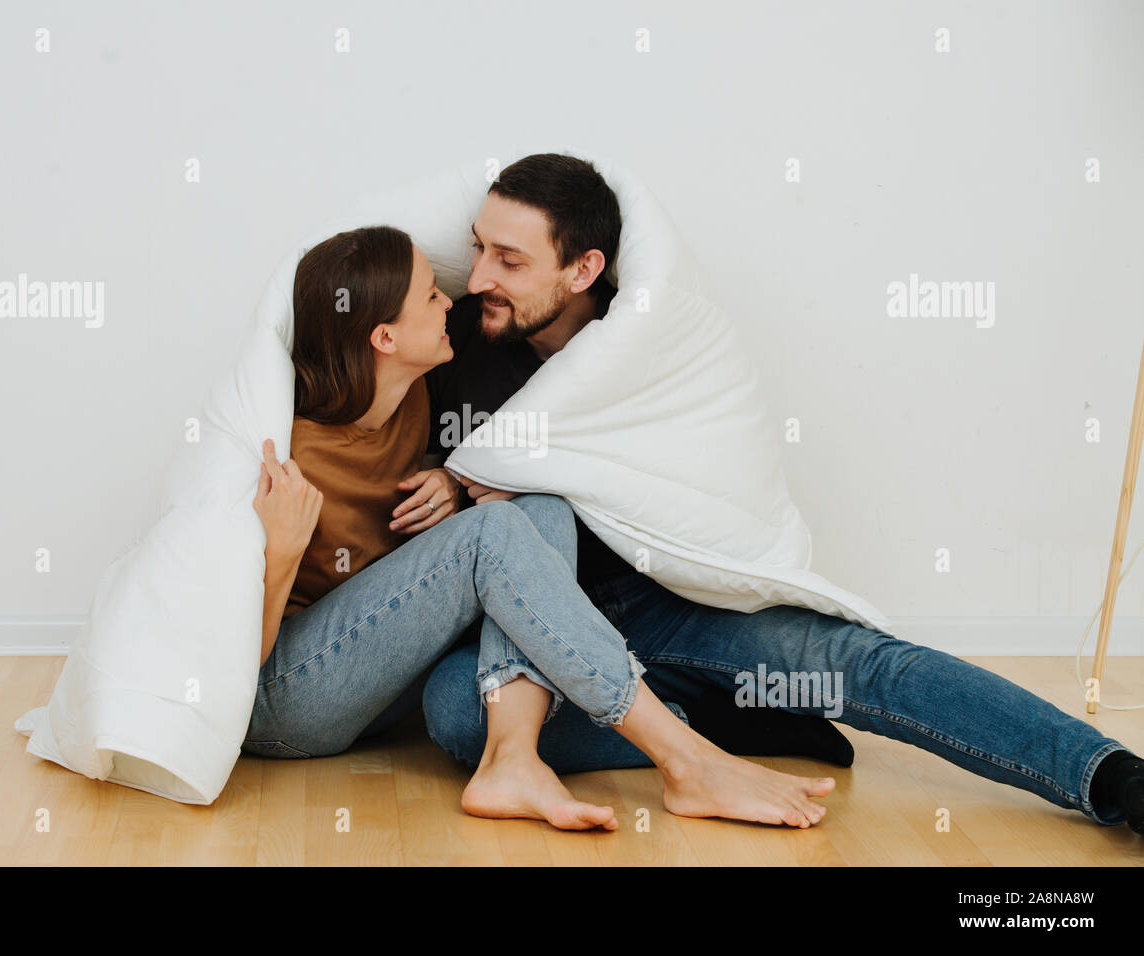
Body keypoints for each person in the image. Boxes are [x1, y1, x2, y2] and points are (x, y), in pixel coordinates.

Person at [420, 152, 1144, 834]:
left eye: (509, 261)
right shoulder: (453, 338)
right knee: (456, 712)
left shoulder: (654, 340)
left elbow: (710, 472)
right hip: (534, 619)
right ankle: (730, 722)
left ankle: (1108, 776)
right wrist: (451, 491)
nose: (479, 275)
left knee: (861, 664)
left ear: (584, 269)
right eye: (478, 248)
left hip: (665, 600)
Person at [243, 223, 837, 830]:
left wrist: (448, 482)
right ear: (386, 336)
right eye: (431, 296)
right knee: (493, 531)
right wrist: (281, 555)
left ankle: (513, 758)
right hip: (288, 702)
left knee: (539, 505)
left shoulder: (415, 399)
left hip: (380, 684)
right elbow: (233, 665)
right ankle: (686, 760)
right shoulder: (288, 458)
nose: (453, 299)